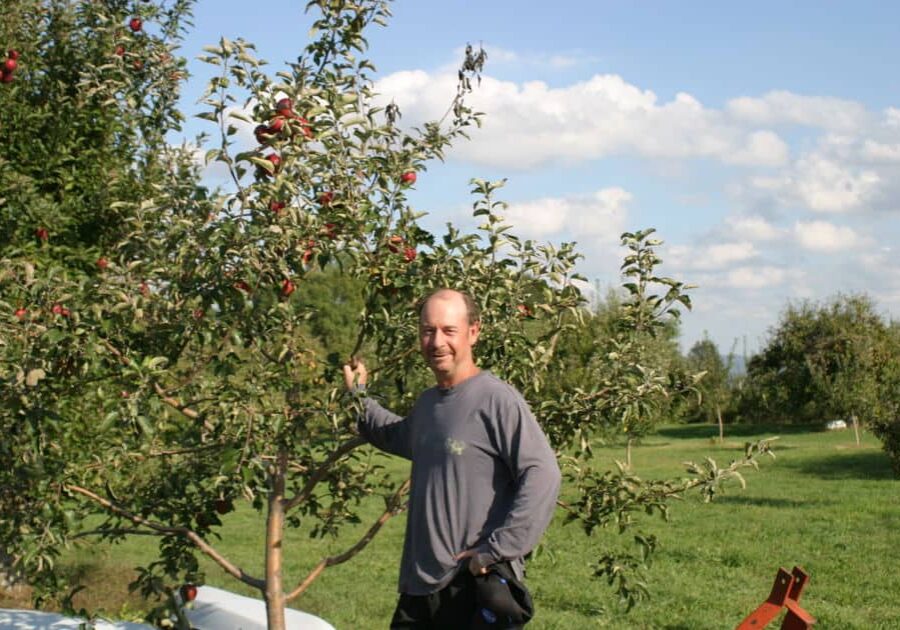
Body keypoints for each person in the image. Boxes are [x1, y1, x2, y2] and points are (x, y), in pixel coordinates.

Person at [342, 288, 561, 629]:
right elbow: (394, 435)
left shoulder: (496, 400)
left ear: (474, 332)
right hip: (419, 587)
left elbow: (543, 474)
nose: (436, 341)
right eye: (428, 331)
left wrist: (497, 549)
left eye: (448, 330)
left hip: (470, 586)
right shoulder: (430, 403)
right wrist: (358, 397)